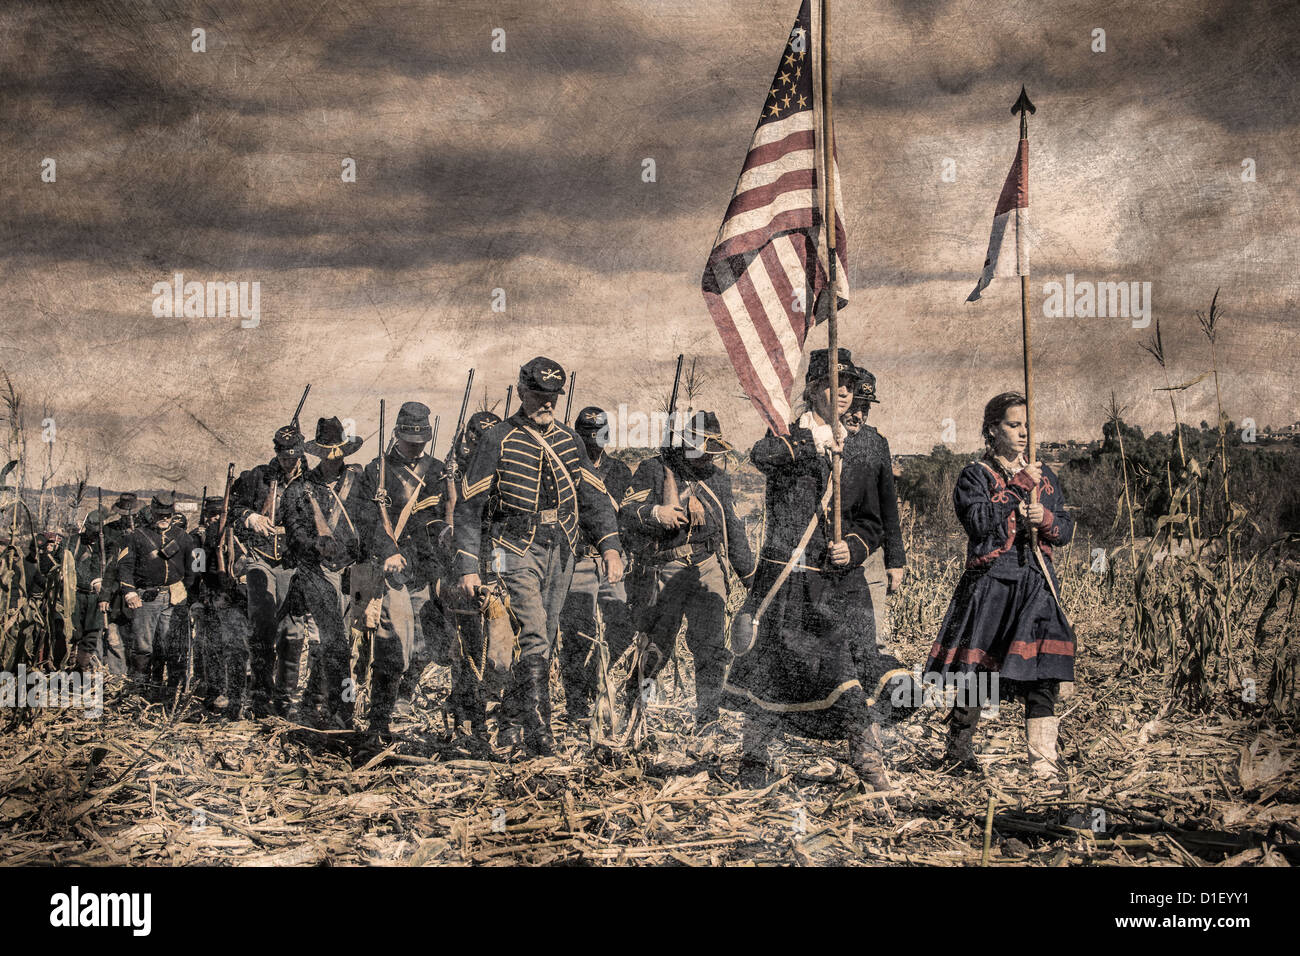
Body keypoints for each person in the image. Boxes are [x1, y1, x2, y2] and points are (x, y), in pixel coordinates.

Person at [723, 348, 895, 790]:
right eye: (834, 384)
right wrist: (816, 443)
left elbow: (873, 520)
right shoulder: (787, 434)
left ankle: (867, 758)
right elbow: (760, 456)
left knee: (849, 666)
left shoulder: (866, 444)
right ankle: (755, 757)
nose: (844, 392)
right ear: (814, 388)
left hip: (840, 581)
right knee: (771, 668)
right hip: (788, 576)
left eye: (850, 385)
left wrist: (853, 548)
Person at [453, 356, 624, 756]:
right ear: (520, 393)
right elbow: (469, 506)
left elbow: (594, 497)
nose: (547, 404)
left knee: (543, 638)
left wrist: (610, 546)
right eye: (538, 395)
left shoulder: (571, 441)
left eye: (553, 397)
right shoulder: (497, 439)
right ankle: (539, 731)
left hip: (561, 548)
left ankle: (511, 724)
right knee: (532, 630)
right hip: (512, 549)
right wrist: (467, 565)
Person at [924, 391, 1076, 782]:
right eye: (1013, 424)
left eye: (1027, 424)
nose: (1023, 432)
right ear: (993, 429)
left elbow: (1065, 530)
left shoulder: (1046, 476)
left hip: (1037, 582)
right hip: (992, 584)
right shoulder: (975, 474)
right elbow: (978, 523)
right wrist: (1016, 490)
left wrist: (1044, 518)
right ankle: (959, 754)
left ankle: (1042, 763)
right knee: (980, 671)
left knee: (1044, 668)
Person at [619, 410, 754, 732]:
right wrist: (656, 513)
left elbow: (732, 529)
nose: (709, 455)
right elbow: (626, 511)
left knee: (710, 648)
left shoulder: (718, 479)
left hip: (707, 567)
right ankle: (636, 710)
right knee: (656, 647)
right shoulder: (653, 469)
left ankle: (708, 719)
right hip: (664, 567)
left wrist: (752, 580)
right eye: (703, 446)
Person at [359, 401, 445, 743]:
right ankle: (380, 718)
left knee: (423, 645)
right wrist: (388, 551)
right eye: (410, 439)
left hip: (425, 569)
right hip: (391, 571)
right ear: (396, 434)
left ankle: (405, 696)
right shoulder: (375, 471)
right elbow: (366, 521)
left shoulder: (437, 471)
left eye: (421, 439)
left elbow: (442, 516)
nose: (416, 446)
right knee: (392, 644)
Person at [279, 417, 369, 729]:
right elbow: (294, 533)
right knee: (335, 642)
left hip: (352, 573)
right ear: (317, 452)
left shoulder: (361, 485)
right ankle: (340, 713)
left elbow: (369, 526)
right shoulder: (299, 489)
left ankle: (313, 701)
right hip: (315, 571)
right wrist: (316, 544)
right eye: (327, 452)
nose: (333, 458)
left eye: (338, 452)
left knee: (347, 645)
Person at [558, 406, 637, 728]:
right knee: (578, 634)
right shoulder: (565, 468)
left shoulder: (619, 472)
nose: (594, 441)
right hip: (576, 561)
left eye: (599, 434)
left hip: (609, 560)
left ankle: (592, 680)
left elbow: (627, 516)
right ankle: (576, 702)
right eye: (587, 435)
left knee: (621, 625)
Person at [231, 424, 306, 716]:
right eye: (282, 453)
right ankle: (260, 696)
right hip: (260, 558)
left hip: (292, 563)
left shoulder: (309, 482)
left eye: (293, 454)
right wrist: (250, 517)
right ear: (275, 451)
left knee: (291, 631)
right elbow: (233, 511)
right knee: (262, 626)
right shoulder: (257, 477)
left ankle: (285, 700)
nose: (288, 459)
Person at [117, 492, 196, 697]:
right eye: (159, 515)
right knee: (143, 647)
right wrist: (130, 592)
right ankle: (138, 692)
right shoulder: (136, 537)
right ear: (152, 513)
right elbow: (124, 566)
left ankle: (171, 694)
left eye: (167, 515)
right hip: (145, 599)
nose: (163, 519)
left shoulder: (183, 538)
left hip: (174, 599)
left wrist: (187, 593)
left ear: (172, 514)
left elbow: (194, 569)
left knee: (171, 646)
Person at [190, 496, 250, 718]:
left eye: (219, 514)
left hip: (236, 601)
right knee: (210, 650)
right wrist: (198, 598)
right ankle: (213, 692)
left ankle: (237, 697)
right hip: (211, 600)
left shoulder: (238, 535)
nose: (215, 519)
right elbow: (196, 571)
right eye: (212, 515)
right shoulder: (199, 539)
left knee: (236, 650)